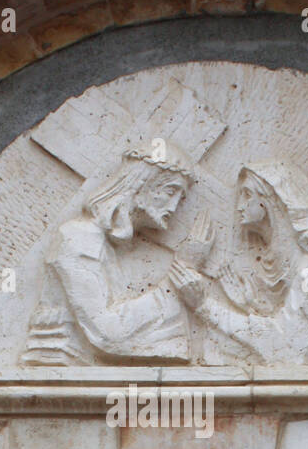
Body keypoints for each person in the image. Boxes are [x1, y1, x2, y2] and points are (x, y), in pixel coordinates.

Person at [168, 160, 308, 365]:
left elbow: (288, 354)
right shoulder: (297, 272)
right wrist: (249, 304)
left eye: (248, 195)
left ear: (273, 202)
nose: (239, 205)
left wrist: (205, 306)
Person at [22, 143, 195, 365]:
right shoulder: (79, 238)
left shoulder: (108, 245)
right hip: (59, 372)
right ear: (140, 185)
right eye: (170, 192)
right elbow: (107, 331)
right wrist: (174, 284)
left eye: (180, 199)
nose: (173, 207)